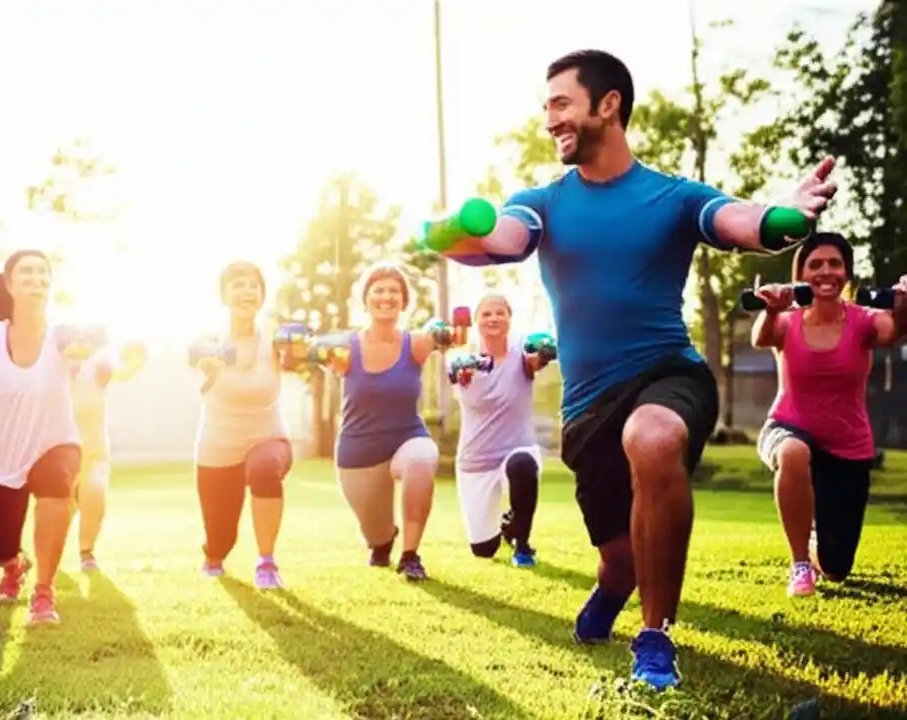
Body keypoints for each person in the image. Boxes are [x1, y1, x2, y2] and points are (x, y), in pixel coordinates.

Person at [438, 49, 837, 688]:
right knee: (621, 564)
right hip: (588, 410)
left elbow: (743, 223)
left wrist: (788, 213)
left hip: (667, 373)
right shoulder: (542, 201)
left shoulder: (672, 197)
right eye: (547, 109)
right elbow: (503, 240)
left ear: (608, 105)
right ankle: (615, 588)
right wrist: (457, 232)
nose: (550, 121)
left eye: (561, 104)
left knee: (653, 439)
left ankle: (655, 637)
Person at [750, 233, 906, 596]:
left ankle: (817, 545)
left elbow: (895, 331)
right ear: (801, 273)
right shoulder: (787, 321)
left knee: (836, 569)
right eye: (815, 264)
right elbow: (761, 337)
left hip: (847, 445)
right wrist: (773, 307)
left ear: (847, 274)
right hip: (787, 427)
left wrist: (904, 304)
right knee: (793, 452)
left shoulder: (864, 321)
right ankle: (799, 564)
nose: (825, 271)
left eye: (834, 264)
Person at [0, 249, 84, 626]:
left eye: (43, 272)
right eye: (26, 272)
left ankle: (44, 592)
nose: (36, 279)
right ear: (8, 284)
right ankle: (14, 565)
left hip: (55, 445)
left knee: (55, 482)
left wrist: (83, 352)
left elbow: (81, 348)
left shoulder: (61, 335)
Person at [332, 262, 446, 582]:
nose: (386, 297)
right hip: (359, 450)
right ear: (366, 299)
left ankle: (410, 556)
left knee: (422, 459)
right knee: (377, 537)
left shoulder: (417, 343)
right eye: (378, 290)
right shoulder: (346, 346)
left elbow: (452, 337)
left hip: (406, 436)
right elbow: (312, 356)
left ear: (404, 301)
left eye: (394, 291)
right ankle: (384, 542)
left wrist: (452, 334)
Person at [192, 261, 292, 589]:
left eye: (252, 285)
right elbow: (195, 352)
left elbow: (302, 357)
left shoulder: (276, 339)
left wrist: (302, 356)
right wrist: (207, 361)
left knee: (264, 469)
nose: (246, 291)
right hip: (218, 449)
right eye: (237, 285)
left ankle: (266, 562)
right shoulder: (210, 338)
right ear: (224, 295)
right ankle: (214, 554)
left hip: (268, 438)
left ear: (262, 295)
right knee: (220, 541)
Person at [453, 294, 552, 568]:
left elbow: (537, 358)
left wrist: (540, 357)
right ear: (476, 322)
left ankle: (522, 544)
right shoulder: (464, 357)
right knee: (484, 549)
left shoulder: (522, 351)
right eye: (486, 314)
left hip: (517, 449)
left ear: (509, 319)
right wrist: (462, 371)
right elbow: (455, 373)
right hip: (476, 461)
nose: (493, 318)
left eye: (500, 313)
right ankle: (508, 525)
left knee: (522, 464)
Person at [69, 334, 146, 573]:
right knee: (63, 509)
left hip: (94, 453)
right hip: (60, 455)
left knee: (95, 495)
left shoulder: (99, 367)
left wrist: (138, 356)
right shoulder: (52, 369)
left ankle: (86, 551)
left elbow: (125, 371)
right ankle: (51, 550)